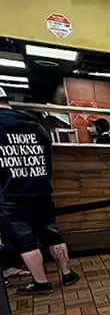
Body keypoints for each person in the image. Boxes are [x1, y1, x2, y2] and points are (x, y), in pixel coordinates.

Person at [0, 87, 80, 295]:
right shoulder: (36, 126)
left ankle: (41, 282)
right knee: (52, 234)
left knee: (26, 241)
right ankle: (67, 272)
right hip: (41, 191)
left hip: (10, 195)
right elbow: (48, 162)